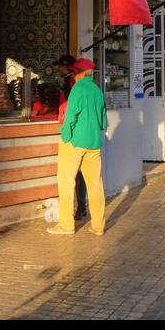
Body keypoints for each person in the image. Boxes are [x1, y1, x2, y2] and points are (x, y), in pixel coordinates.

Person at [48, 58, 107, 236]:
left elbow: (71, 116)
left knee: (66, 182)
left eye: (74, 72)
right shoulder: (97, 90)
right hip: (94, 143)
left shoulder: (78, 89)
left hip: (74, 142)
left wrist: (65, 136)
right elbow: (104, 120)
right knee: (95, 185)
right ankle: (98, 226)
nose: (73, 75)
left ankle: (66, 225)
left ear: (79, 73)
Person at [55, 55, 89, 221]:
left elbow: (70, 109)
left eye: (60, 67)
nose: (59, 70)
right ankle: (83, 208)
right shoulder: (92, 88)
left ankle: (75, 213)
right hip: (88, 137)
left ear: (68, 67)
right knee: (84, 176)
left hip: (74, 135)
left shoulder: (72, 84)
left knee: (71, 176)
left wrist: (66, 134)